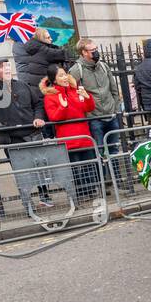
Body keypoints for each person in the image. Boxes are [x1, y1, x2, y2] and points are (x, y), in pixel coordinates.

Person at [39, 64, 99, 202]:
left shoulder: (74, 90)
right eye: (61, 75)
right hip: (68, 139)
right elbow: (53, 117)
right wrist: (62, 107)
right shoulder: (51, 96)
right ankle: (78, 195)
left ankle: (91, 191)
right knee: (74, 170)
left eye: (65, 74)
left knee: (89, 166)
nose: (65, 77)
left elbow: (89, 108)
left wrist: (87, 97)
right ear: (54, 80)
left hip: (84, 136)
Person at [70, 38, 123, 162]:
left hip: (111, 115)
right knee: (98, 151)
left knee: (114, 150)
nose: (96, 52)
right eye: (92, 50)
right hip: (94, 118)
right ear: (84, 52)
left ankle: (117, 179)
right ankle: (104, 180)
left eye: (96, 49)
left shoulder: (104, 66)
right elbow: (72, 93)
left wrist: (116, 109)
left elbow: (114, 89)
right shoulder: (76, 70)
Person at [13, 28, 69, 102]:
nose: (51, 39)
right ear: (41, 39)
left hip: (30, 86)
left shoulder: (20, 46)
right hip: (41, 89)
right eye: (48, 37)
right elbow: (61, 54)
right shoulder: (39, 49)